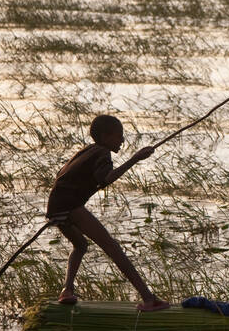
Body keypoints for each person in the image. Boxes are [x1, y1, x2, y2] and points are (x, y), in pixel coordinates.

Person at [47, 114, 169, 311]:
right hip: (69, 205)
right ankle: (148, 299)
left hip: (55, 206)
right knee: (113, 248)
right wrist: (135, 159)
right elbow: (106, 179)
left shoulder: (89, 150)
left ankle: (67, 291)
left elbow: (64, 176)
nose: (122, 140)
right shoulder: (102, 153)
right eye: (118, 135)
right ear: (105, 137)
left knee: (80, 245)